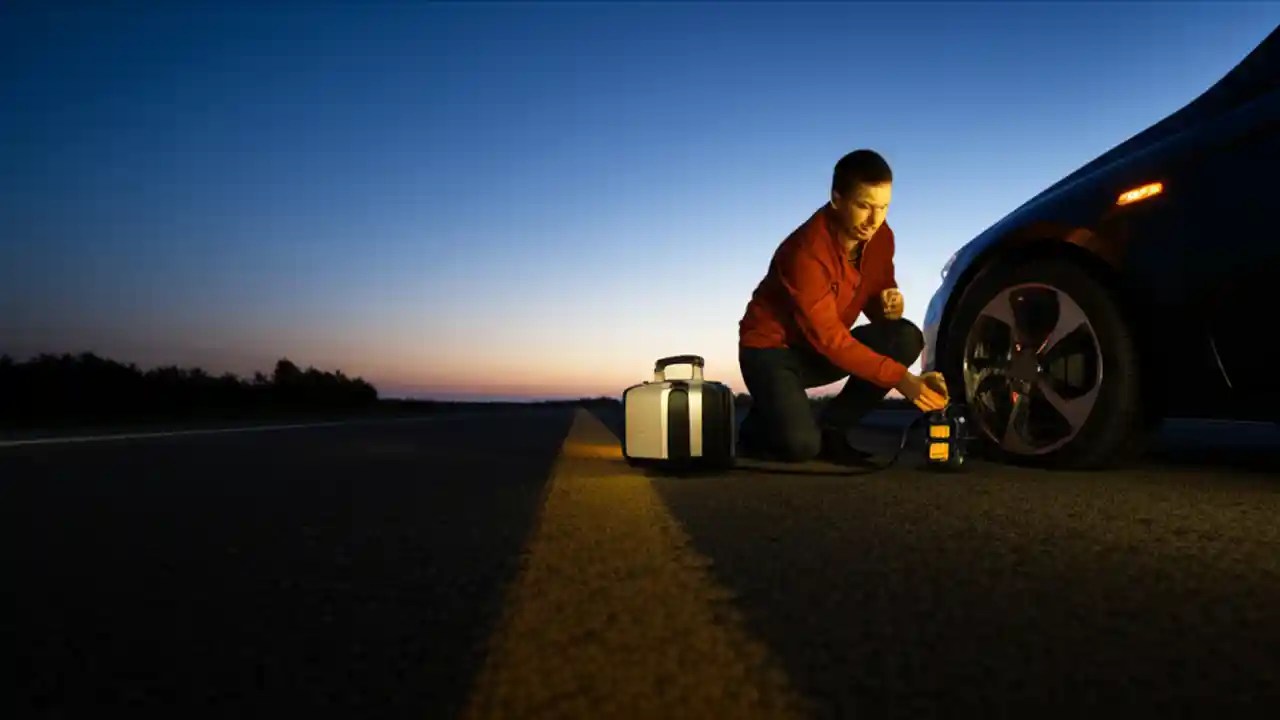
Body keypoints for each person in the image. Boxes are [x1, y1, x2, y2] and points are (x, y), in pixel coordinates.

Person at [737, 149, 948, 464]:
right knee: (801, 447)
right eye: (863, 206)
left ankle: (834, 430)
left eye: (883, 207)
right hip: (771, 352)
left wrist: (887, 306)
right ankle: (764, 419)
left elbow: (875, 295)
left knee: (904, 337)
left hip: (819, 348)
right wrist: (903, 380)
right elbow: (831, 340)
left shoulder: (881, 236)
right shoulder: (804, 252)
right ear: (836, 199)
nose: (874, 220)